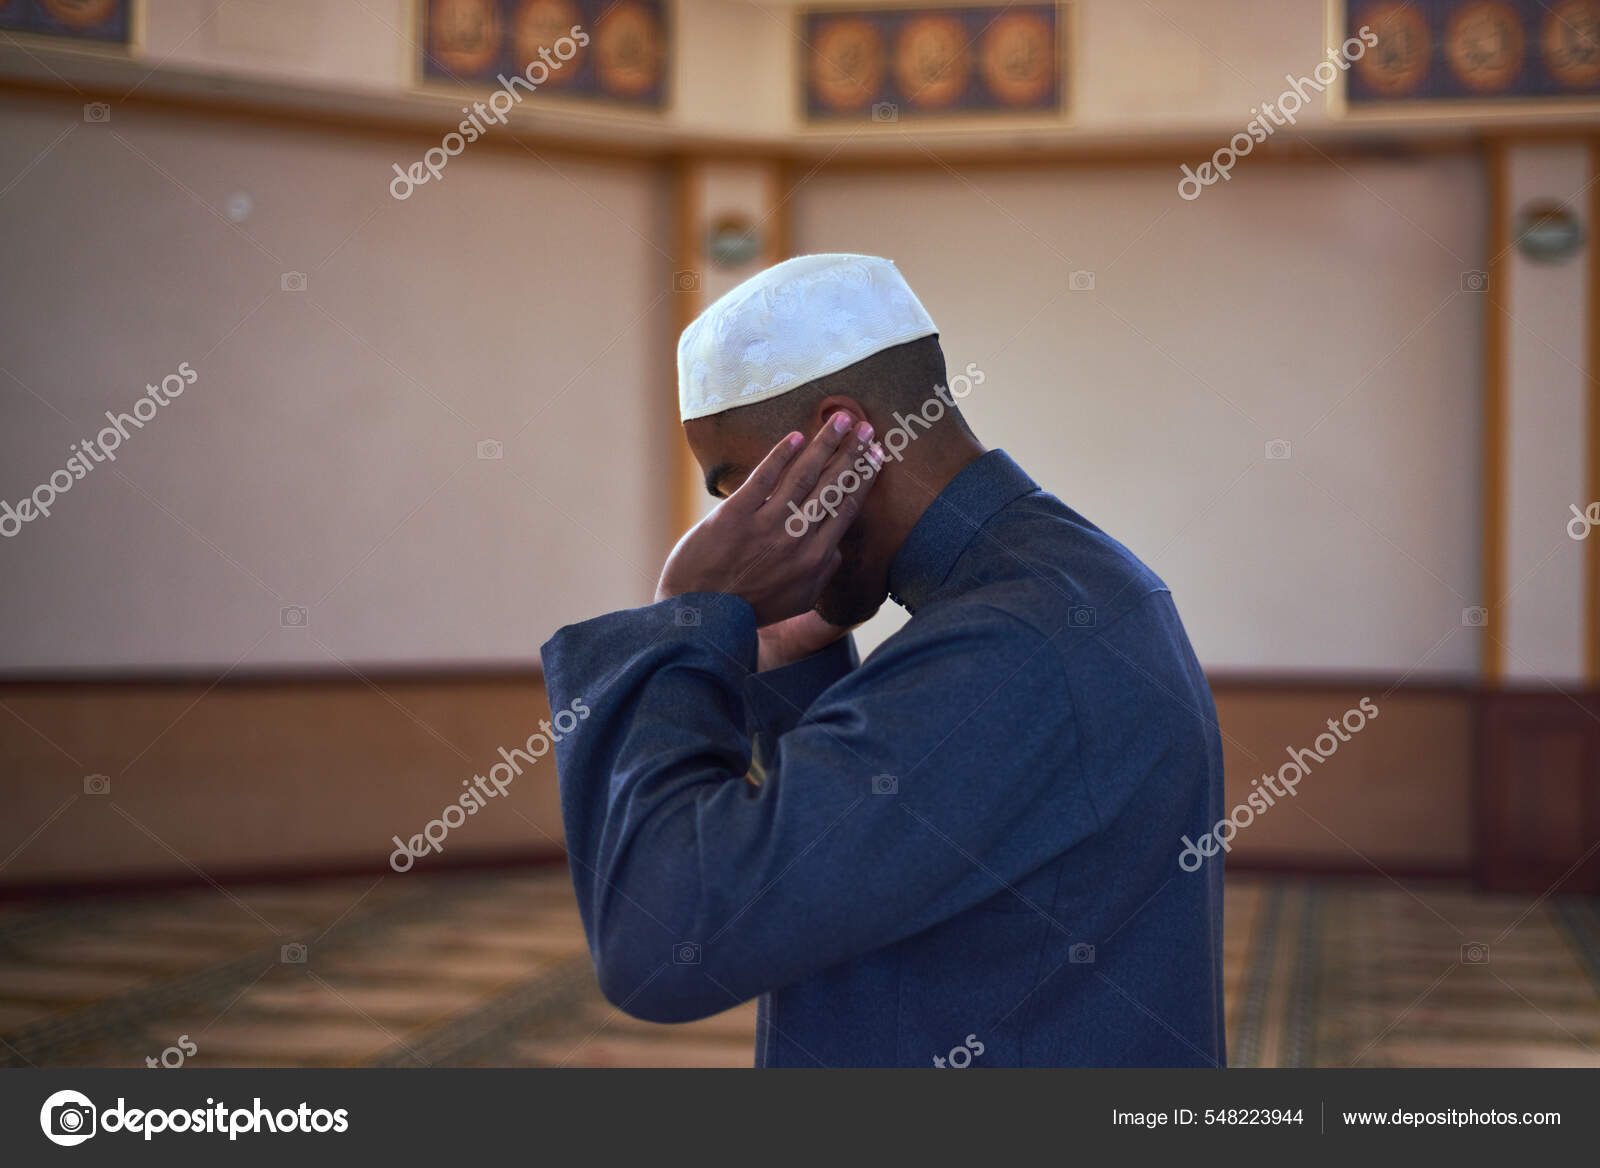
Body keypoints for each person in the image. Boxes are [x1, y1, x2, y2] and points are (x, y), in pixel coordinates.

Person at [540, 253, 1226, 1067]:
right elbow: (869, 863)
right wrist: (787, 658)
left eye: (736, 487)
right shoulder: (1062, 579)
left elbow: (662, 940)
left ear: (838, 431)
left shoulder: (1008, 646)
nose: (735, 522)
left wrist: (680, 628)